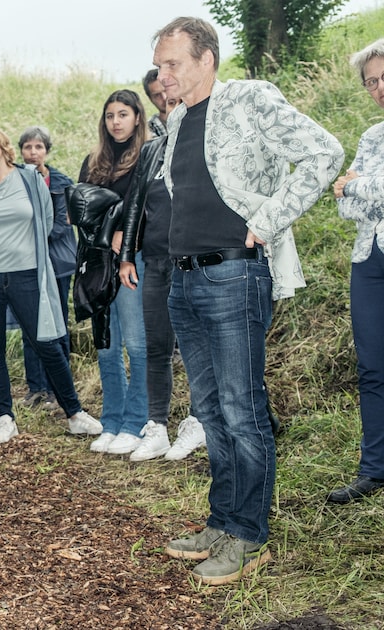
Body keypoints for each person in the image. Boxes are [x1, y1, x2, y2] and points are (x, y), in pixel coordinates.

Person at [154, 17, 342, 584]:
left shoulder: (249, 100)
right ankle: (222, 520)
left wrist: (266, 220)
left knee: (241, 408)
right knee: (209, 412)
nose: (162, 76)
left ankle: (249, 536)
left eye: (173, 64)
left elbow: (324, 153)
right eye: (159, 65)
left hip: (233, 278)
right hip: (185, 282)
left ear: (207, 58)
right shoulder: (179, 117)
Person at [0, 122, 102, 443]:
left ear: (0, 142)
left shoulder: (30, 179)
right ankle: (5, 417)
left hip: (26, 273)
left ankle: (74, 413)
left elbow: (45, 222)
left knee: (46, 343)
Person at [116, 100, 205, 463]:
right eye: (167, 103)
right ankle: (156, 427)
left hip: (194, 260)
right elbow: (135, 205)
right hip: (154, 261)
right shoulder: (152, 150)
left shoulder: (203, 140)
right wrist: (126, 258)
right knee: (156, 347)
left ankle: (200, 422)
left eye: (178, 101)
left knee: (199, 349)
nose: (172, 108)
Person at [78, 90, 150, 457]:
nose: (116, 122)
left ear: (138, 117)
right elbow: (81, 210)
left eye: (123, 114)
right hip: (99, 263)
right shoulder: (94, 162)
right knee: (106, 345)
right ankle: (112, 420)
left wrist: (126, 236)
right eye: (110, 116)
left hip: (133, 260)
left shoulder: (148, 156)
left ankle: (137, 423)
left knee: (136, 344)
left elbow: (153, 209)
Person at [329, 37, 384, 504]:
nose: (379, 87)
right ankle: (375, 469)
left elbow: (354, 190)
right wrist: (357, 192)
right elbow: (345, 208)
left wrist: (358, 186)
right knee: (372, 368)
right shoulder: (370, 137)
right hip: (369, 260)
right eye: (371, 81)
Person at [16, 126, 76, 409]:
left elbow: (61, 223)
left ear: (46, 151)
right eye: (28, 147)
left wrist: (30, 236)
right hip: (25, 263)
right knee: (30, 326)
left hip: (56, 262)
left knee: (58, 324)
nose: (33, 152)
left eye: (38, 147)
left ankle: (59, 389)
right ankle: (36, 388)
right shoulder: (14, 180)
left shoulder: (61, 182)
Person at [143, 69, 170, 137]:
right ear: (150, 99)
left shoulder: (194, 117)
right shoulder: (149, 128)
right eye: (157, 95)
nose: (164, 97)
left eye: (166, 90)